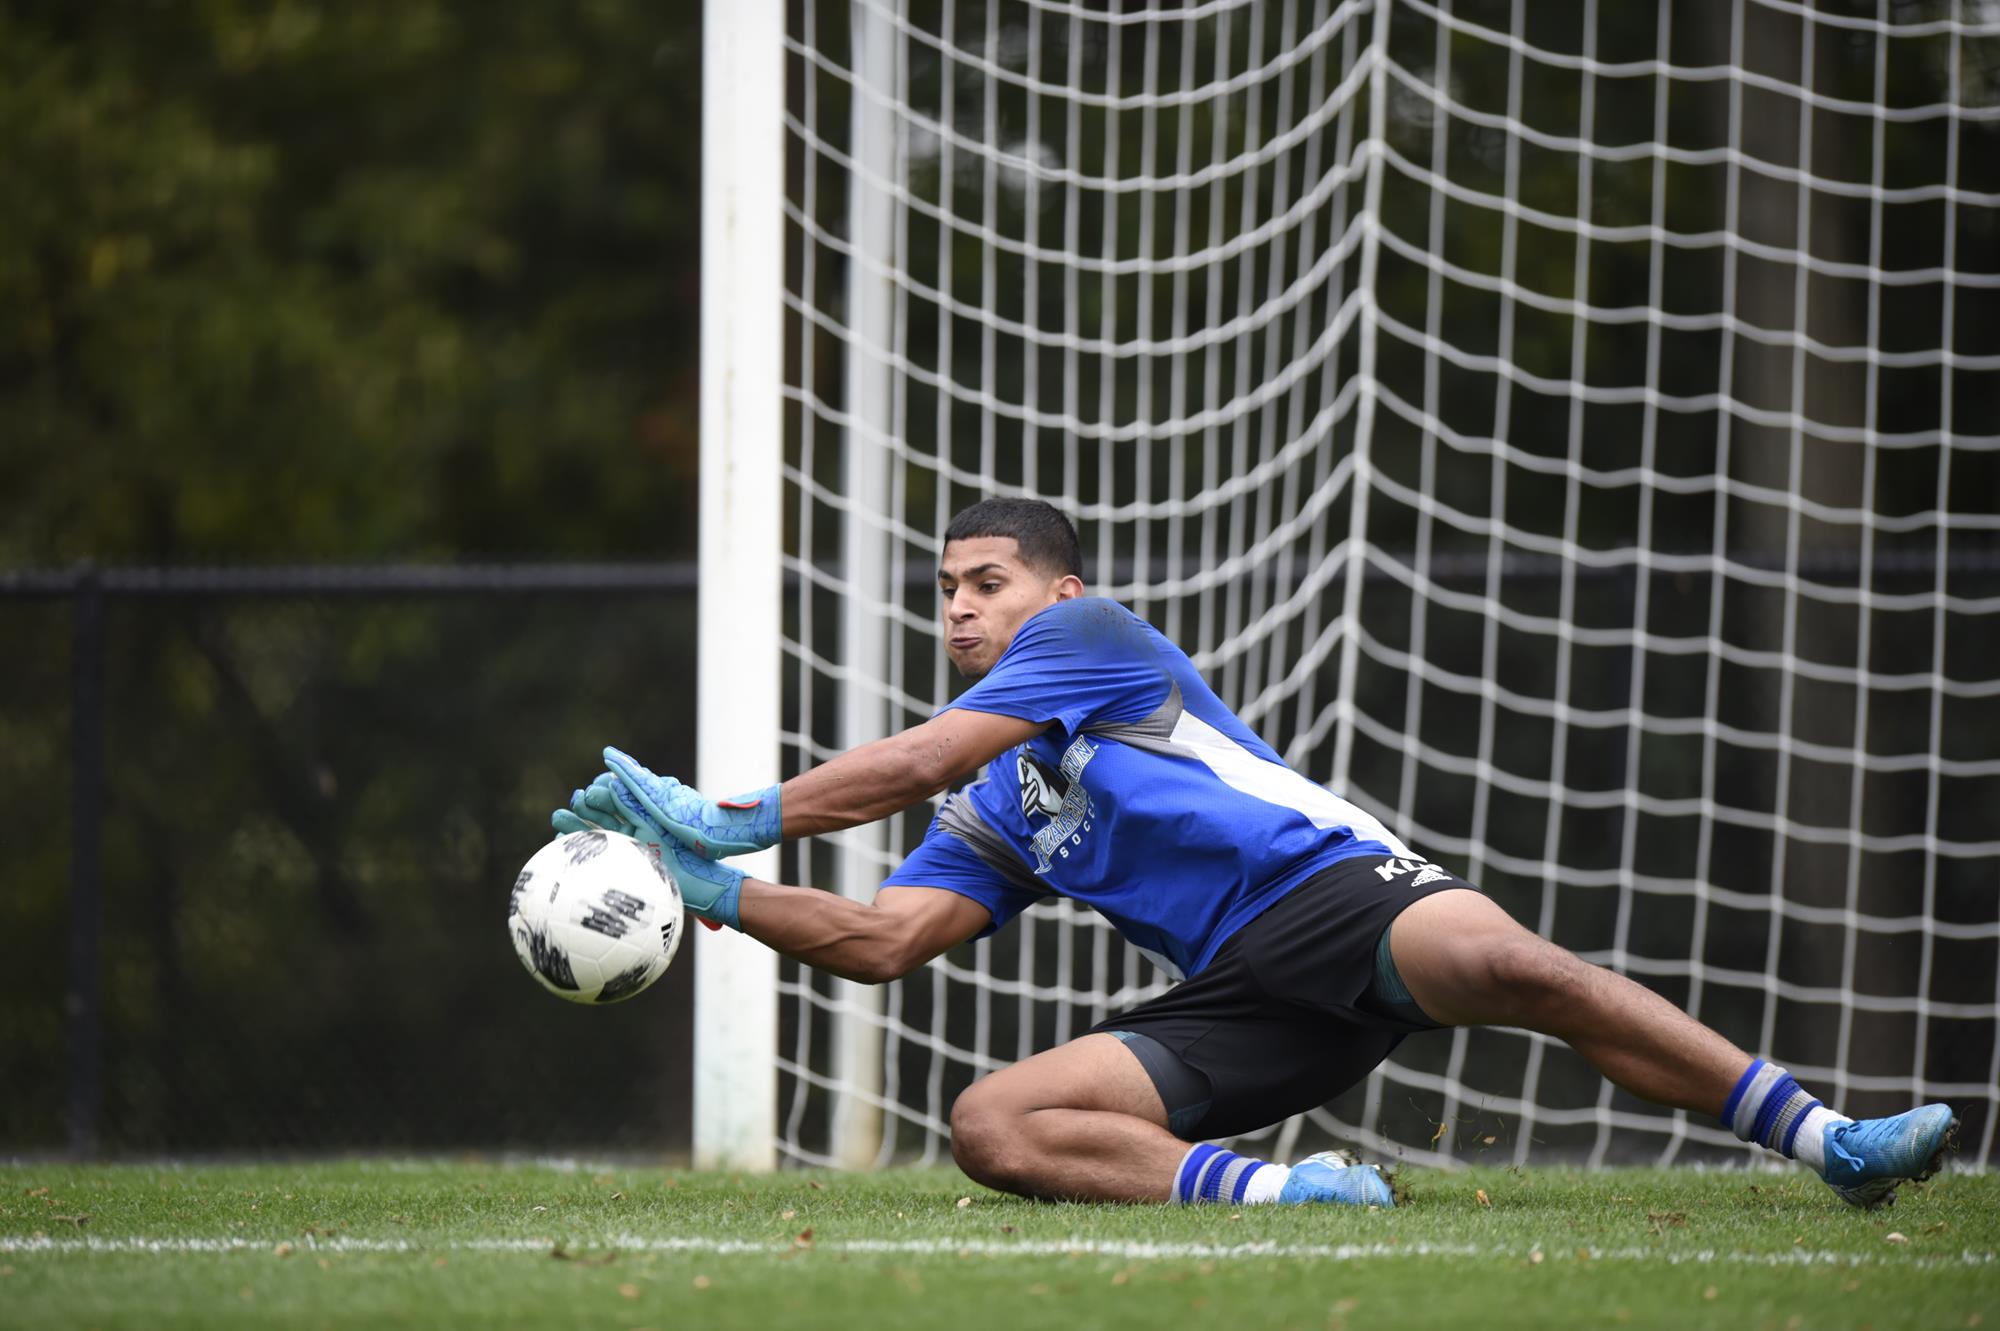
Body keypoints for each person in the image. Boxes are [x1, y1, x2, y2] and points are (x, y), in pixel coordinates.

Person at [553, 497, 1955, 1209]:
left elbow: (918, 759)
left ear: (1059, 594)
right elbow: (881, 941)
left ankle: (1831, 1139)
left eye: (989, 585)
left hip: (1328, 896)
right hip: (1238, 996)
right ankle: (1294, 1195)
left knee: (1515, 963)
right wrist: (716, 894)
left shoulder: (1087, 643)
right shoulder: (999, 811)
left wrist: (737, 811)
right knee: (992, 1126)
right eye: (948, 591)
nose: (964, 610)